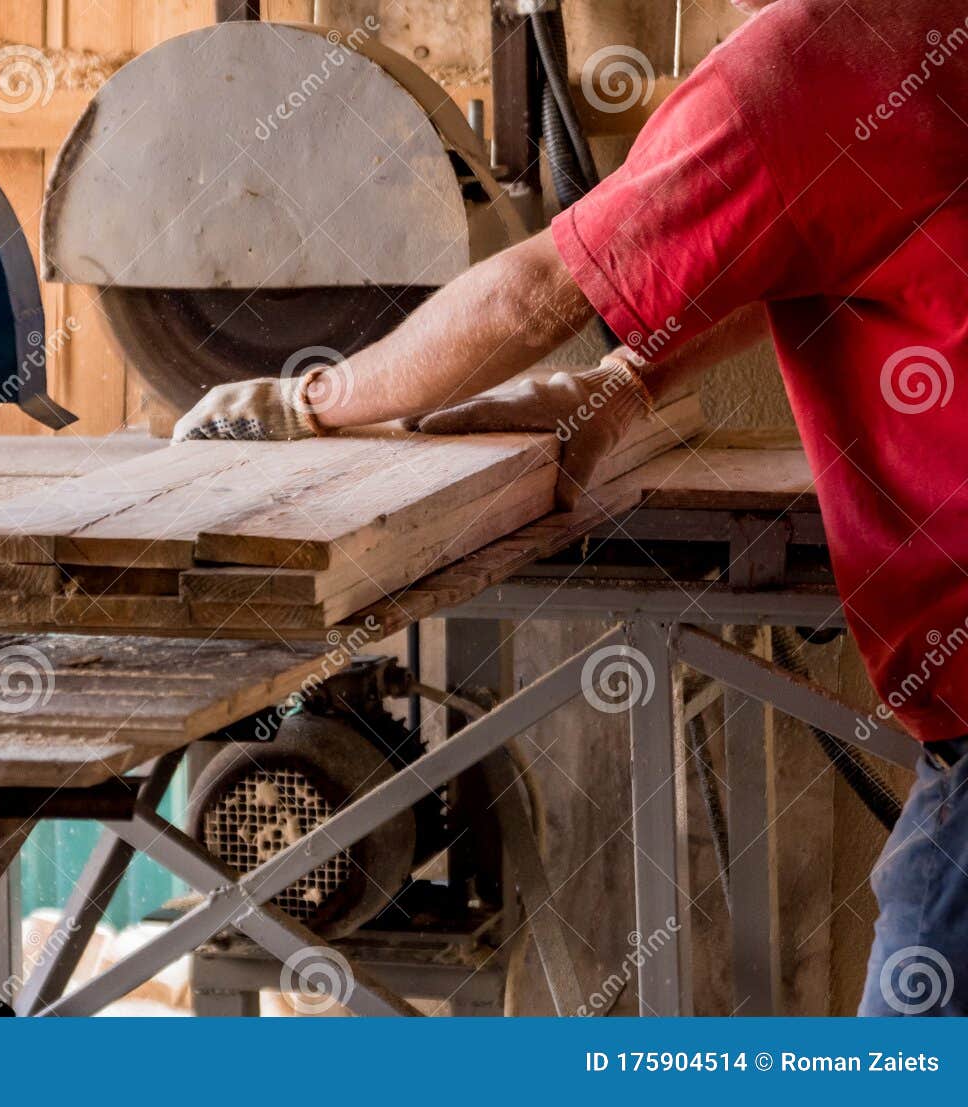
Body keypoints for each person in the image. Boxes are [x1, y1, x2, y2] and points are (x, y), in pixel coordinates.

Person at [173, 0, 968, 1016]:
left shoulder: (812, 53)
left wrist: (310, 401)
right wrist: (624, 381)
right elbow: (803, 234)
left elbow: (536, 291)